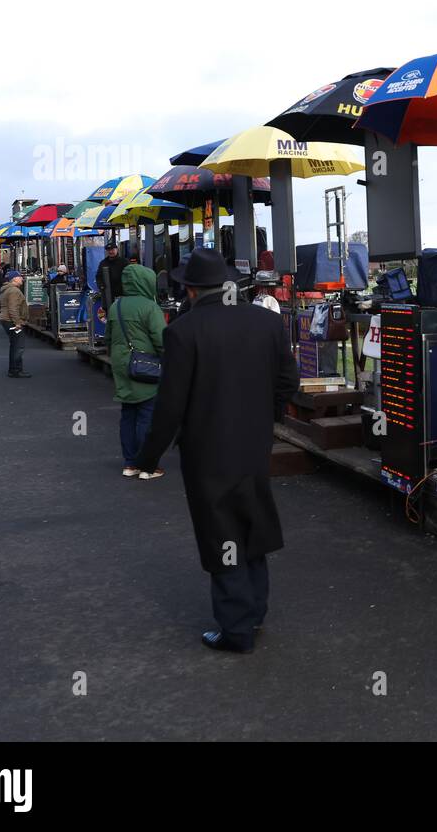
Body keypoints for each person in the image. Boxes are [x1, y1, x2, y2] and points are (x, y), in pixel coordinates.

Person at [135, 249, 298, 655]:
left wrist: (147, 458)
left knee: (221, 531)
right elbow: (288, 381)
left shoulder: (184, 332)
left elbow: (170, 405)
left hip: (207, 450)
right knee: (253, 524)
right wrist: (266, 418)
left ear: (190, 289)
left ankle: (236, 628)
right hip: (255, 443)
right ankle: (255, 611)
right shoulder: (267, 322)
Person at [108, 264, 166, 479]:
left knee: (128, 414)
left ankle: (129, 463)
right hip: (146, 366)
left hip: (122, 364)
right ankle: (147, 466)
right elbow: (162, 340)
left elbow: (109, 337)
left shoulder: (117, 305)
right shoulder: (150, 307)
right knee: (146, 416)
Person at [0, 270, 30, 378]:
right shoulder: (14, 291)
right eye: (19, 277)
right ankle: (16, 370)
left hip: (7, 320)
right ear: (14, 279)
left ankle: (13, 369)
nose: (22, 278)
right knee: (18, 346)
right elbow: (13, 308)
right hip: (12, 321)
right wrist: (17, 323)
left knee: (14, 345)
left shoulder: (7, 290)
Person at [96, 242, 127, 308]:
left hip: (122, 294)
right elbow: (98, 276)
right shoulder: (103, 263)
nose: (111, 252)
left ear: (117, 249)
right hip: (108, 295)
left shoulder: (124, 262)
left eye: (112, 250)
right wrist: (101, 285)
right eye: (109, 250)